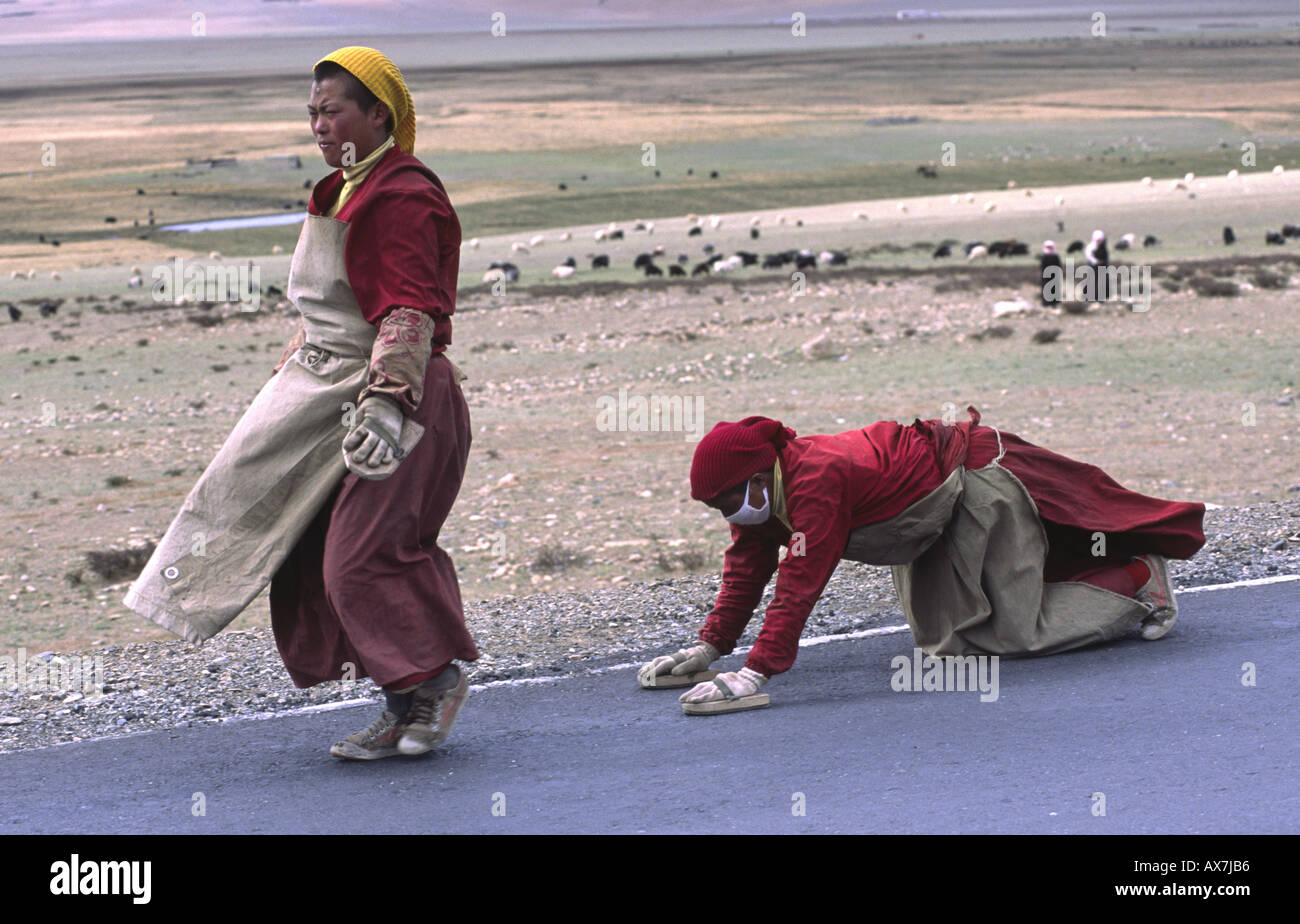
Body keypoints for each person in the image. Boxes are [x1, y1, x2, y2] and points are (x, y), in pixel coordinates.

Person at [124, 46, 477, 759]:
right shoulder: (340, 190)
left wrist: (386, 402)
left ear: (379, 114)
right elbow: (329, 311)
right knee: (312, 550)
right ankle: (399, 700)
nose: (318, 123)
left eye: (333, 108)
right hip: (326, 397)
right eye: (312, 111)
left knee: (362, 553)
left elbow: (406, 308)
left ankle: (436, 680)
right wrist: (287, 381)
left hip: (396, 399)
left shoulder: (402, 194)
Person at [638, 409, 1205, 712]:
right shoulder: (767, 497)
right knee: (950, 642)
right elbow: (747, 569)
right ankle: (1079, 578)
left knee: (1015, 633)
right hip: (923, 522)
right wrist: (710, 647)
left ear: (758, 479)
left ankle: (1137, 577)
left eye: (725, 502)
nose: (725, 515)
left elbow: (799, 584)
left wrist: (753, 674)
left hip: (973, 489)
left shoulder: (815, 479)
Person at [1038, 240, 1064, 306]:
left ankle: (1055, 303)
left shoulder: (1055, 256)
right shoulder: (1044, 257)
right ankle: (1046, 304)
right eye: (1048, 247)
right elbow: (1042, 267)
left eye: (1050, 247)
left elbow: (1058, 266)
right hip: (1046, 277)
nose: (1049, 249)